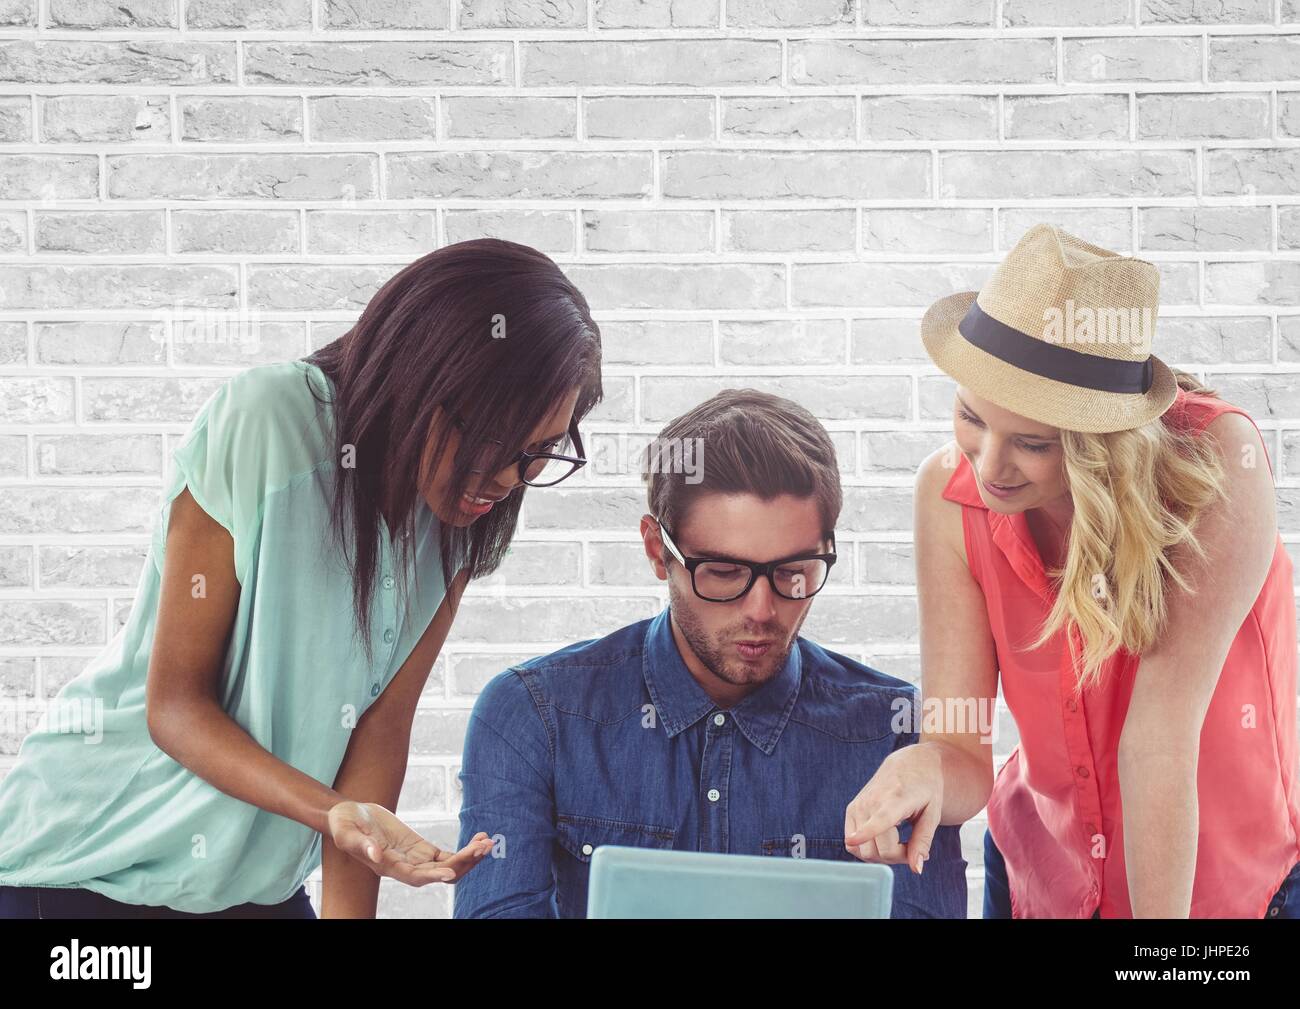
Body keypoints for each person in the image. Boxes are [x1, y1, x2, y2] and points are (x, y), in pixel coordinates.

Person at [0, 238, 602, 919]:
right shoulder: (268, 419)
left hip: (251, 887)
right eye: (493, 440)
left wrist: (348, 834)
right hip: (90, 864)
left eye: (538, 449)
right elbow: (175, 707)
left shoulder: (460, 523)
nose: (507, 478)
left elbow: (377, 738)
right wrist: (330, 812)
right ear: (424, 376)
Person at [844, 223, 1300, 918]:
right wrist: (925, 766)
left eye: (1031, 443)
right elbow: (962, 747)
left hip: (1224, 894)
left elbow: (1158, 740)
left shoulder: (1216, 466)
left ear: (1101, 443)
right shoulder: (948, 492)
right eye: (971, 417)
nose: (988, 467)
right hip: (1043, 880)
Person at [453, 389, 968, 918]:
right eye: (723, 572)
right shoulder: (534, 715)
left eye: (794, 571)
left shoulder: (895, 732)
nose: (762, 610)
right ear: (657, 550)